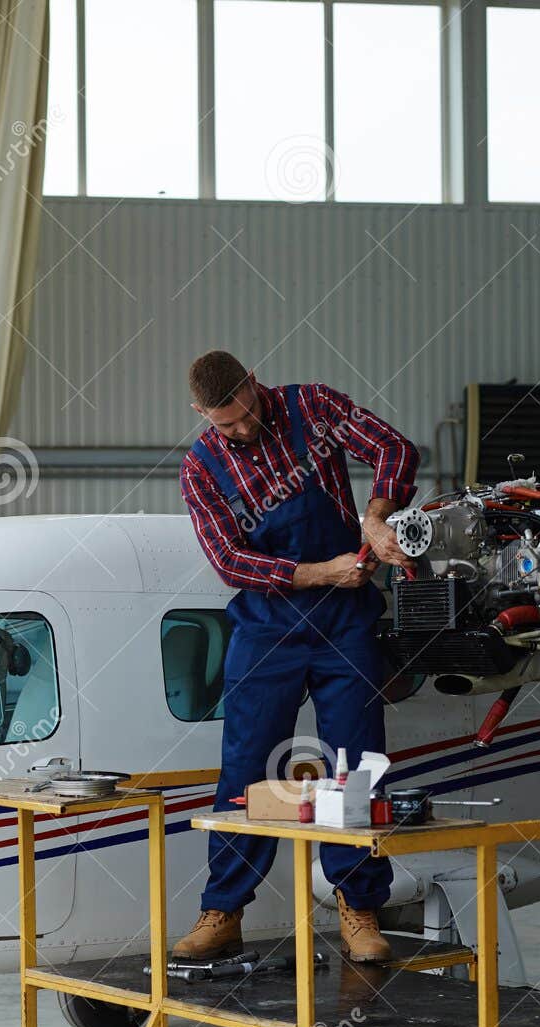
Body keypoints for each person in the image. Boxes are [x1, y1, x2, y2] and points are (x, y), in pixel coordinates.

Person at [174, 350, 420, 963]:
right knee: (245, 770)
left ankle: (360, 907)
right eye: (225, 423)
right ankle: (223, 910)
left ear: (256, 385)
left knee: (356, 766)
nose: (241, 429)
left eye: (246, 413)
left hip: (346, 622)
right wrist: (318, 573)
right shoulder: (200, 466)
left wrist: (373, 516)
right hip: (267, 625)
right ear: (201, 414)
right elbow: (230, 562)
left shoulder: (312, 405)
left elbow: (396, 450)